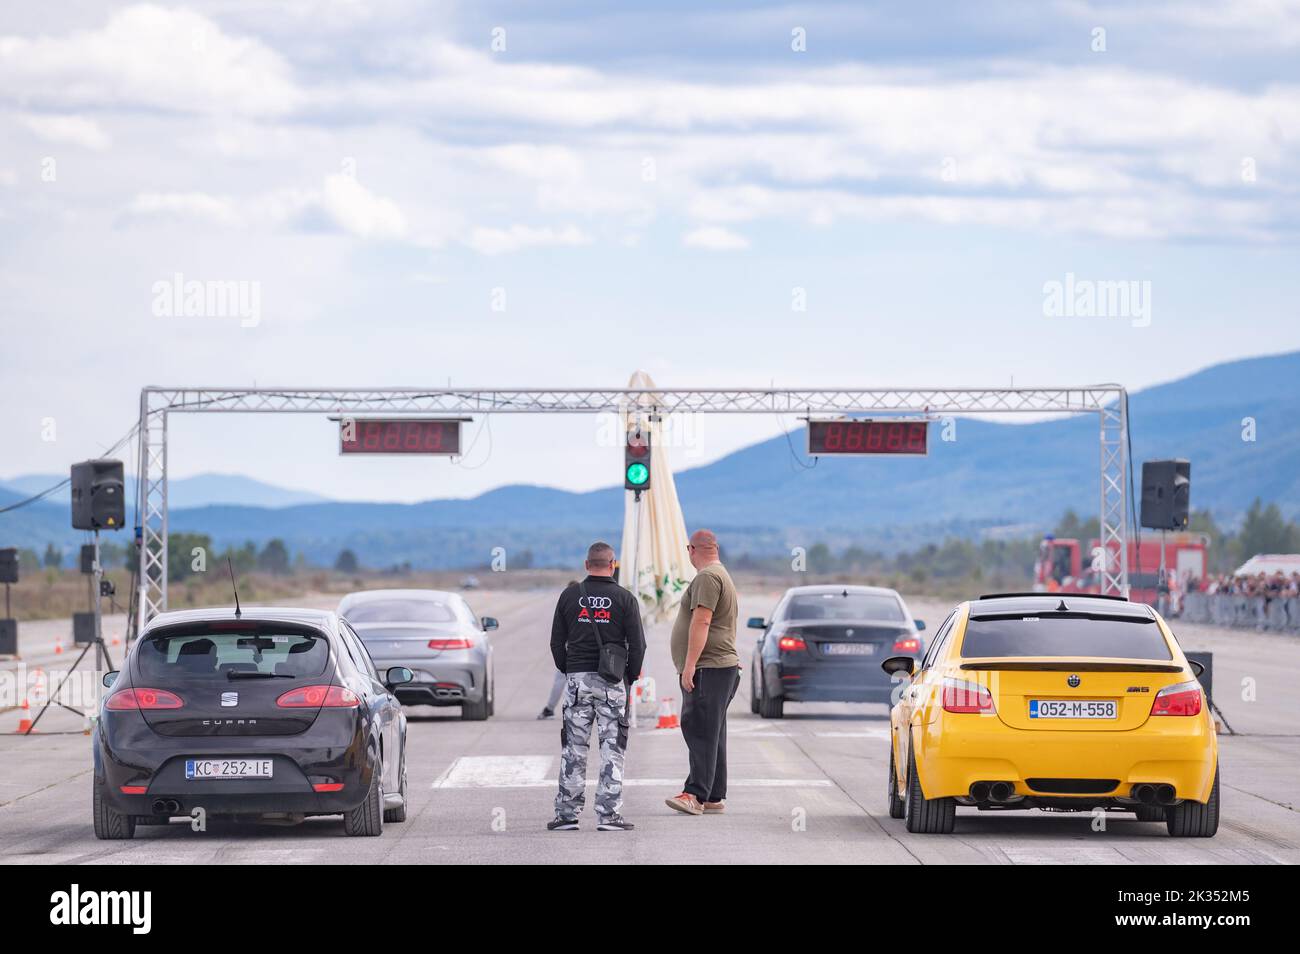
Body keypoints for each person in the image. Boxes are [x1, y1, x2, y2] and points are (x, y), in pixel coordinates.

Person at [547, 542, 645, 831]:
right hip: (612, 682)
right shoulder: (625, 598)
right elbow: (638, 644)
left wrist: (570, 669)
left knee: (573, 749)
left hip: (577, 680)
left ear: (587, 564)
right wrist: (631, 676)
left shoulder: (569, 596)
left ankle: (567, 815)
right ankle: (608, 815)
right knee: (612, 749)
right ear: (613, 564)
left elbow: (555, 642)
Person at [665, 529, 740, 816]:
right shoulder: (722, 574)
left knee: (699, 730)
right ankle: (713, 795)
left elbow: (703, 621)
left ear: (691, 549)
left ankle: (695, 794)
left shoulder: (707, 577)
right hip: (721, 665)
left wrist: (689, 665)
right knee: (713, 731)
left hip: (709, 666)